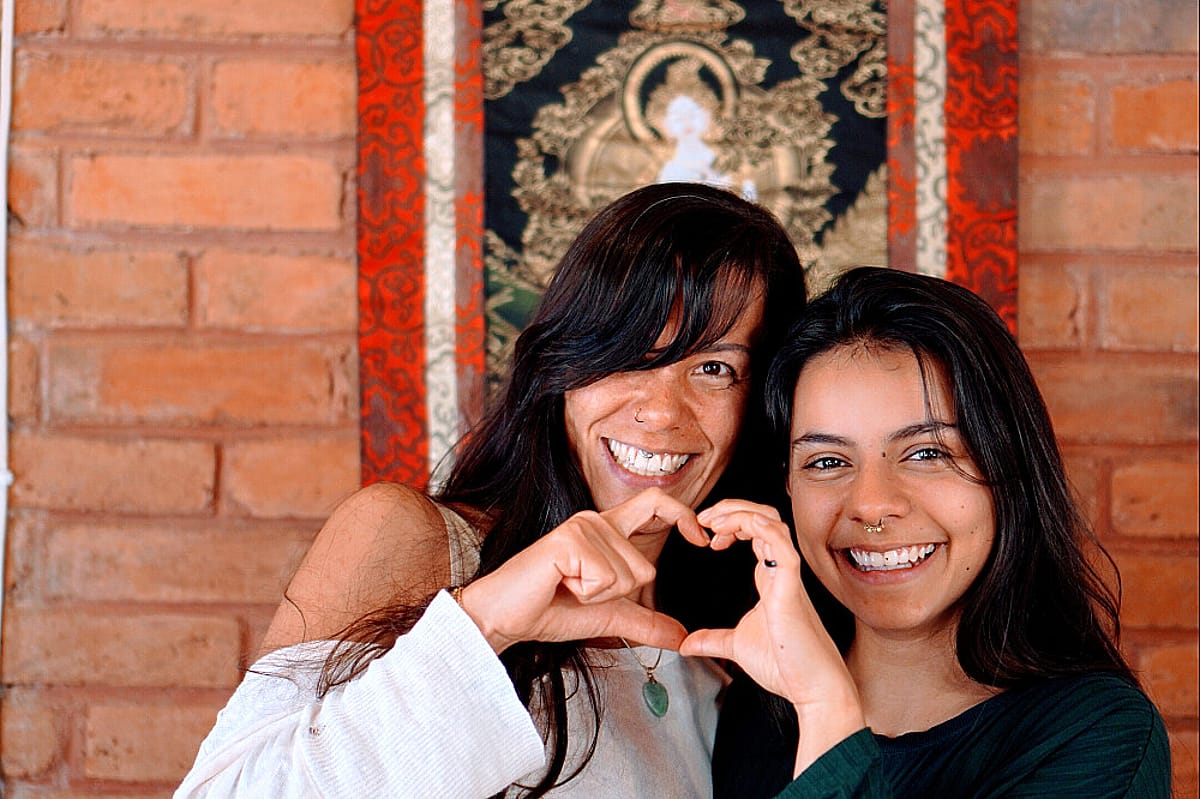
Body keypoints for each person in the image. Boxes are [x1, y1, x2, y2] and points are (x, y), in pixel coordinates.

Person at [174, 181, 807, 797]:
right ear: (566, 361)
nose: (662, 410)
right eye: (630, 352)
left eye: (715, 368)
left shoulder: (734, 644)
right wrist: (486, 624)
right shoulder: (413, 541)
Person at [682, 266, 1172, 798]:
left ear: (1008, 469)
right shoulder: (749, 712)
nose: (871, 505)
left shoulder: (1095, 734)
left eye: (927, 453)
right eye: (826, 461)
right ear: (787, 489)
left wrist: (827, 710)